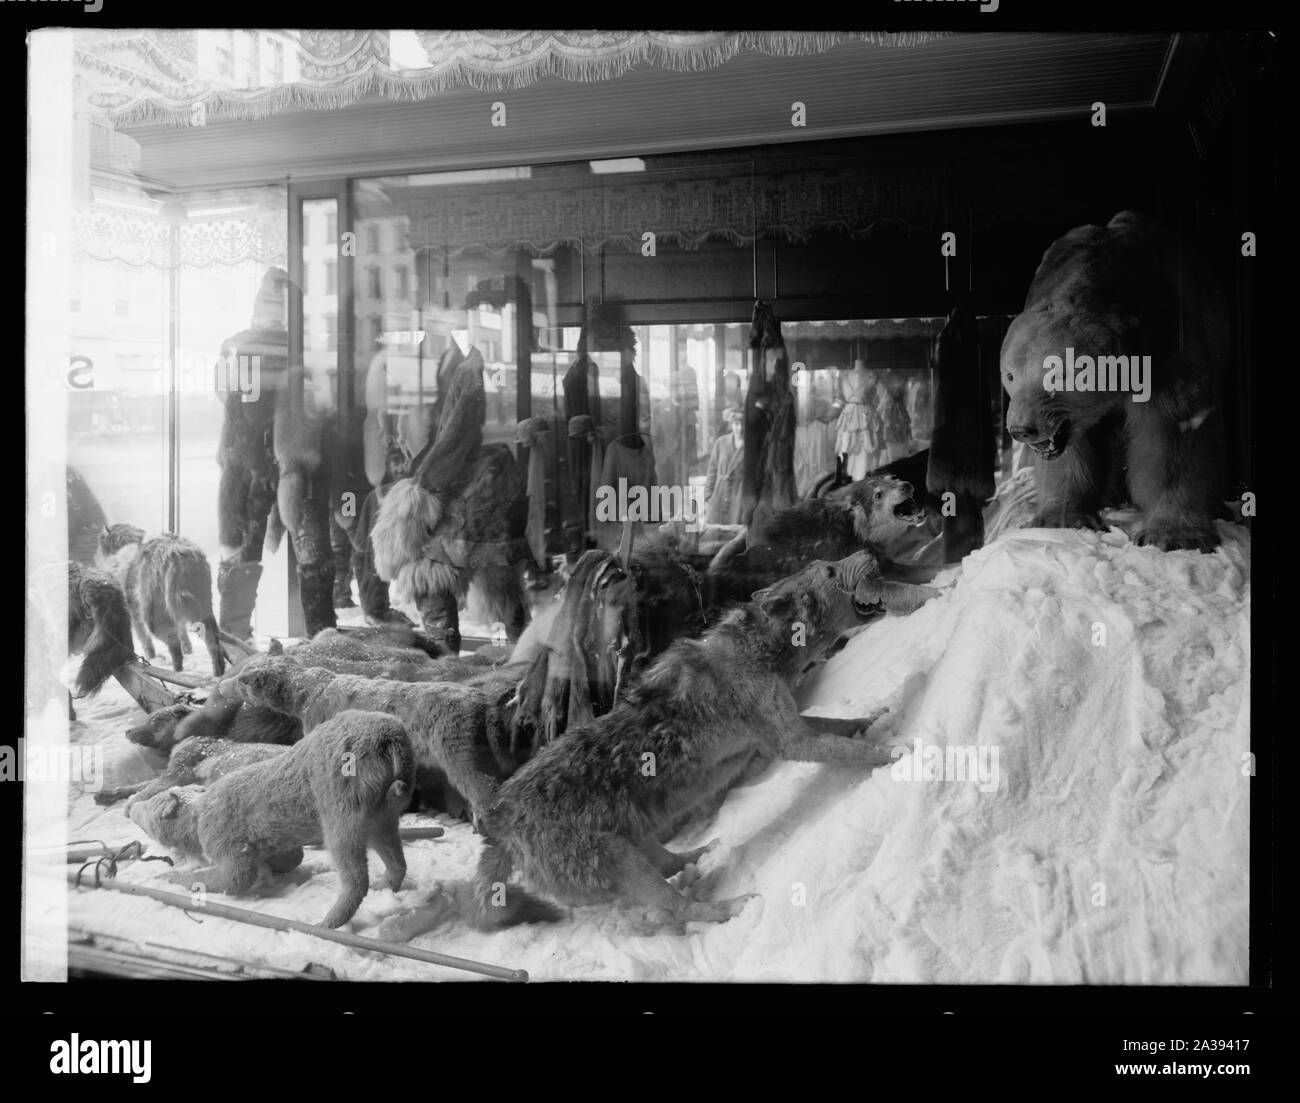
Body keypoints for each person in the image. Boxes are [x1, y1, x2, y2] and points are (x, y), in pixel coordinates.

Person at [703, 407, 746, 525]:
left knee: (735, 531)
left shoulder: (752, 446)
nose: (740, 428)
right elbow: (712, 471)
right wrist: (708, 496)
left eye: (743, 424)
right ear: (731, 424)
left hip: (739, 496)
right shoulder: (720, 443)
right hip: (719, 493)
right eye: (737, 424)